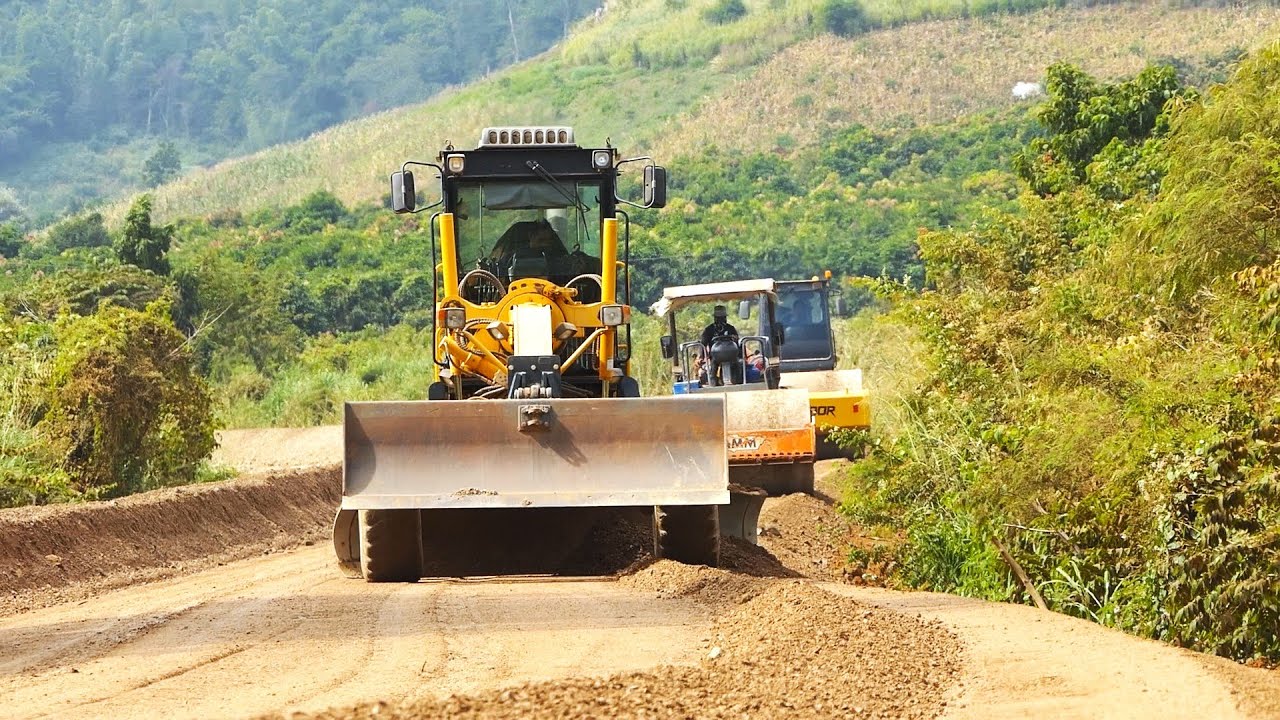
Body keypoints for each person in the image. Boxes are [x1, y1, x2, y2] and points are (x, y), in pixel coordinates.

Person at [701, 305, 740, 386]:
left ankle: (738, 381)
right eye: (718, 318)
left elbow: (737, 341)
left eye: (723, 317)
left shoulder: (730, 328)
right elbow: (703, 344)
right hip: (715, 355)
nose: (721, 320)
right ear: (715, 318)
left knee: (737, 365)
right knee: (713, 367)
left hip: (731, 354)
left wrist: (734, 339)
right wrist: (701, 357)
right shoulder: (709, 330)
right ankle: (713, 383)